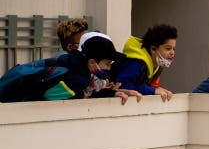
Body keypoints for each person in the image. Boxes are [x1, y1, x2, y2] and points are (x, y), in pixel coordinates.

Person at [0, 36, 142, 104]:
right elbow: (52, 97)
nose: (109, 68)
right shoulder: (76, 77)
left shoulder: (72, 61)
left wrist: (113, 92)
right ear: (92, 62)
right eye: (107, 63)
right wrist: (87, 94)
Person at [114, 24, 177, 102]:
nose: (172, 53)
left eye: (174, 49)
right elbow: (122, 86)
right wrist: (153, 91)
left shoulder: (157, 66)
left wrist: (158, 89)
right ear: (153, 49)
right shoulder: (135, 63)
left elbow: (151, 86)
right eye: (168, 49)